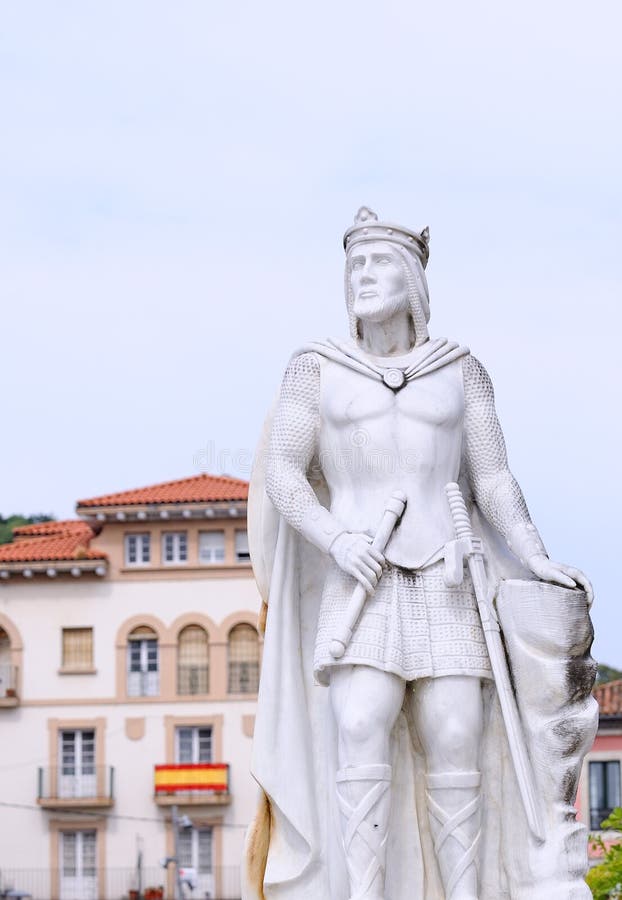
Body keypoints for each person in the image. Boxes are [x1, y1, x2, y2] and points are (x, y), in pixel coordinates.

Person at [243, 207, 593, 900]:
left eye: (377, 264)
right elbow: (283, 471)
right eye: (354, 266)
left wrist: (533, 552)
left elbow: (492, 477)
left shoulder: (461, 371)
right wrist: (336, 539)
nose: (362, 278)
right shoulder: (315, 368)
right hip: (359, 575)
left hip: (447, 569)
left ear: (412, 280)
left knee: (457, 733)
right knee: (359, 722)